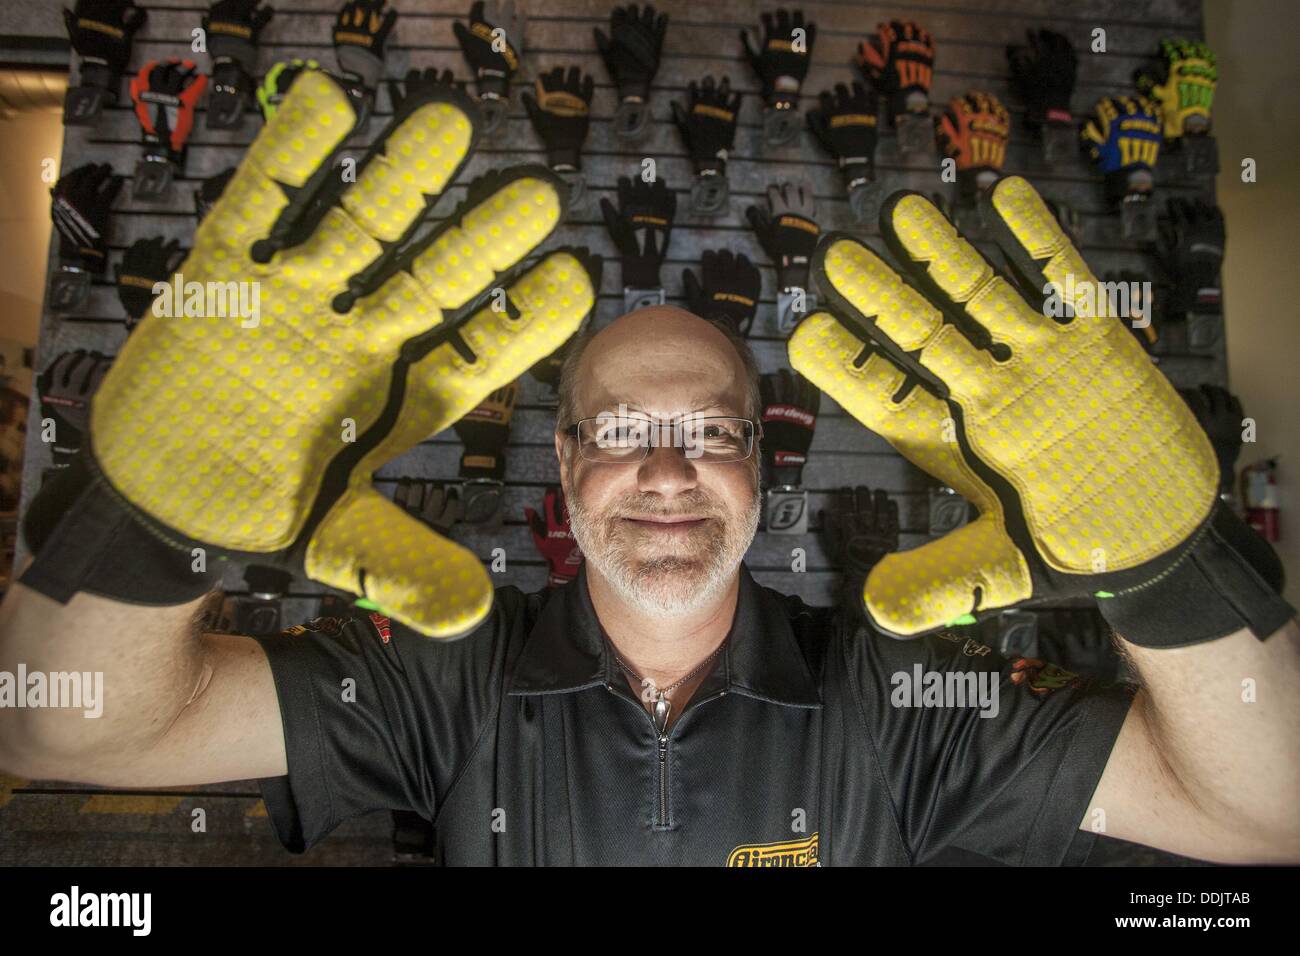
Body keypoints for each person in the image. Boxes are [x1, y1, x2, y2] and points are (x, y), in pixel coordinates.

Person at [1, 75, 1295, 866]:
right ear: (564, 464)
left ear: (762, 467)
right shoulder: (450, 680)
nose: (667, 469)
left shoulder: (896, 697)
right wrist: (149, 523)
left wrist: (1170, 565)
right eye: (620, 429)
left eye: (710, 431)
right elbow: (50, 725)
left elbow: (1269, 818)